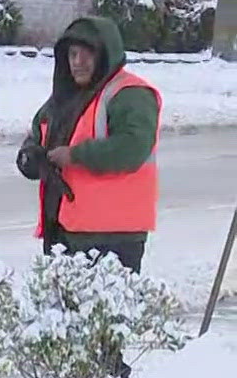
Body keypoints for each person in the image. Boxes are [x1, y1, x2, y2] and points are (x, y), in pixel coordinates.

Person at [16, 14, 162, 273]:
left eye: (87, 54)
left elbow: (133, 147)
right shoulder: (63, 99)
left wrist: (76, 155)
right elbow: (38, 135)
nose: (78, 62)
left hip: (112, 237)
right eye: (72, 54)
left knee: (106, 301)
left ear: (105, 55)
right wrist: (30, 158)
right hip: (64, 229)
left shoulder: (129, 94)